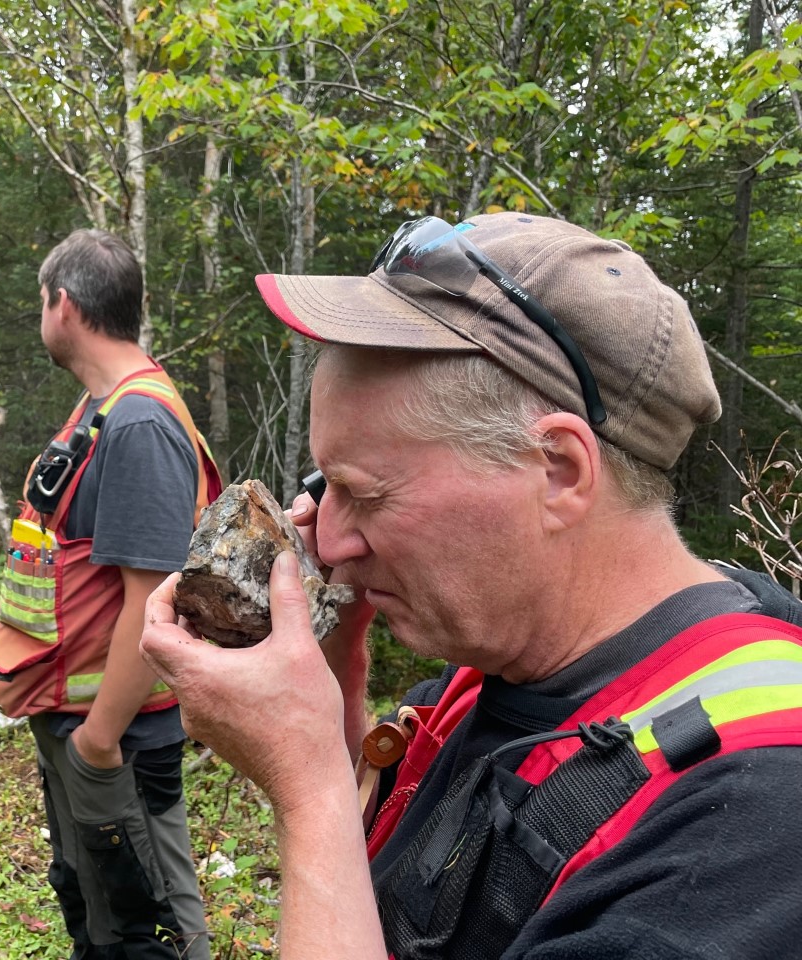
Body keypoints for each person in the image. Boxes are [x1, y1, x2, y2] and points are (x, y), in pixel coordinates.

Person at [140, 212, 802, 959]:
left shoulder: (749, 832)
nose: (327, 540)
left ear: (558, 470)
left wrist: (308, 790)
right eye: (325, 485)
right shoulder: (500, 674)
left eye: (367, 493)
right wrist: (334, 689)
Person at [0, 229, 221, 959]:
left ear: (63, 305)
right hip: (75, 719)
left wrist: (99, 741)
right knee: (92, 905)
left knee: (149, 927)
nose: (40, 315)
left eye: (40, 302)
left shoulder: (140, 423)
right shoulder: (102, 410)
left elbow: (153, 600)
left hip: (117, 737)